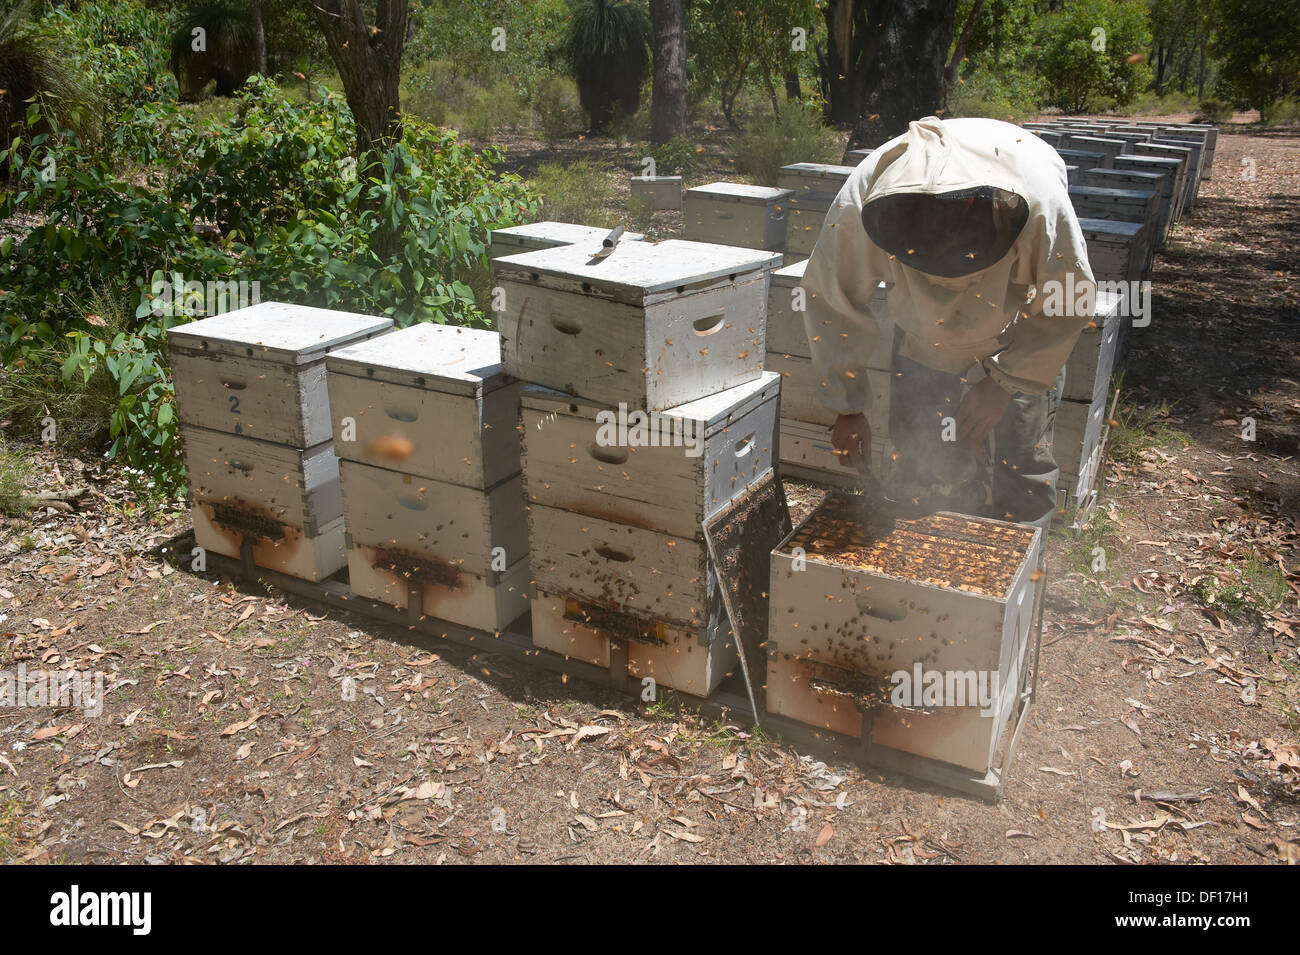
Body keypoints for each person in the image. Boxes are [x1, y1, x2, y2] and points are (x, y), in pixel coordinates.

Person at [800, 116, 1097, 530]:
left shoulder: (1040, 201)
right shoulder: (865, 194)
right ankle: (919, 583)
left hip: (1013, 331)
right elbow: (832, 299)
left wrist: (1004, 384)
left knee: (1021, 462)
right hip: (921, 337)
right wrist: (847, 406)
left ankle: (1021, 583)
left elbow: (1067, 302)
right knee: (921, 456)